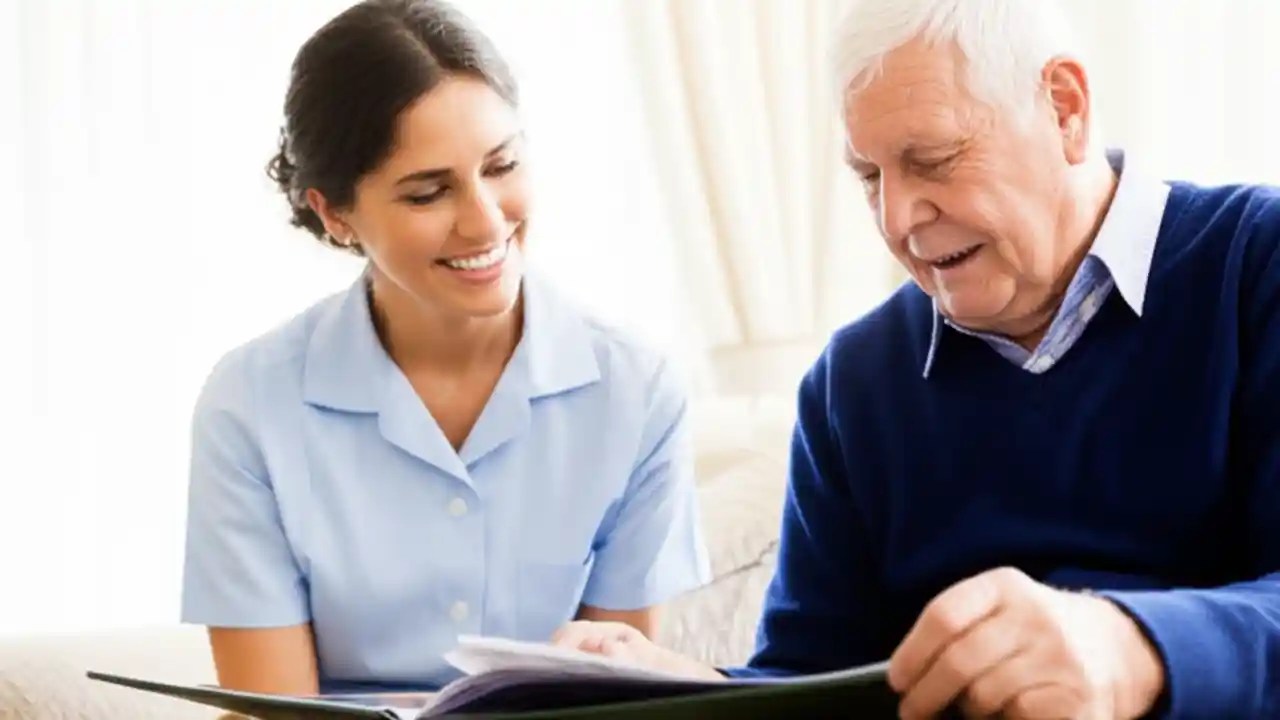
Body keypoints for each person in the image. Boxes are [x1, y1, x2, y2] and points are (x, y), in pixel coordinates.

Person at [551, 0, 1280, 717]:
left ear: (1064, 109)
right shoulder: (852, 384)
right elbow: (812, 679)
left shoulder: (1257, 265)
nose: (898, 220)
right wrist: (679, 690)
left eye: (931, 161)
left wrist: (1135, 651)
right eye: (870, 178)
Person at [180, 0, 710, 697]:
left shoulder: (636, 391)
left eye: (502, 164)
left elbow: (613, 691)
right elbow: (273, 711)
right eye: (428, 193)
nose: (485, 222)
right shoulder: (251, 403)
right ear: (335, 214)